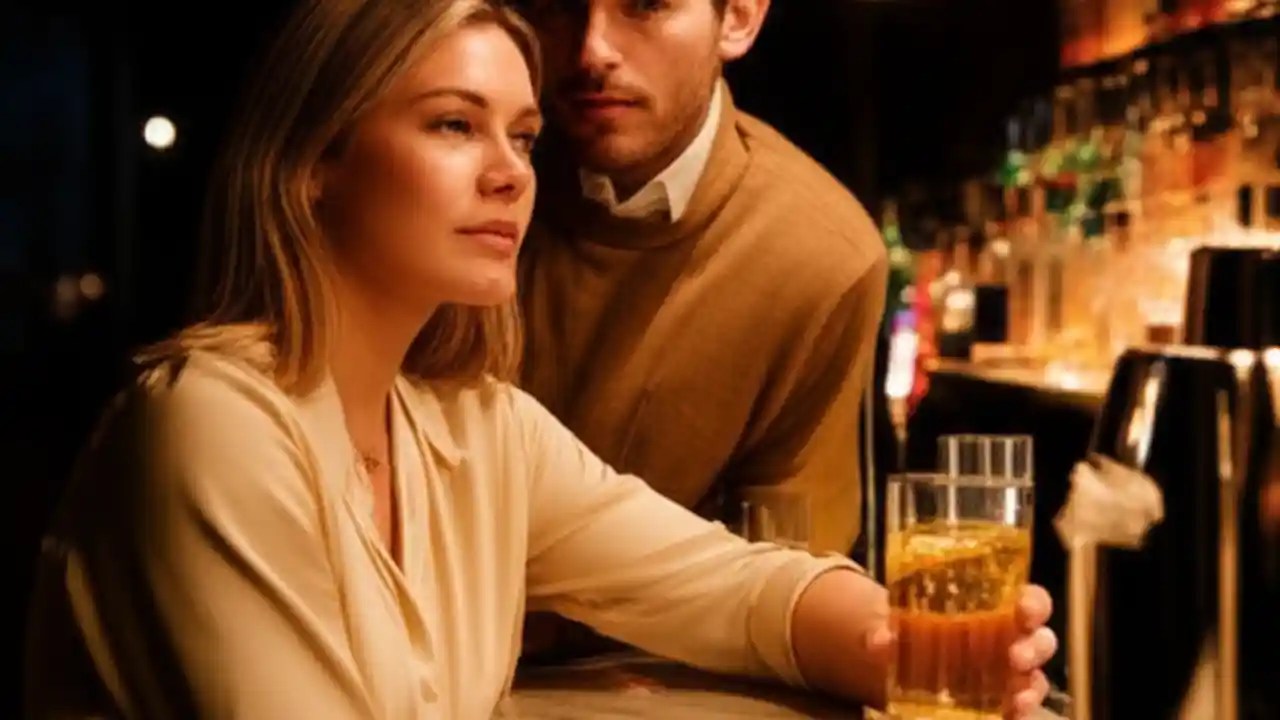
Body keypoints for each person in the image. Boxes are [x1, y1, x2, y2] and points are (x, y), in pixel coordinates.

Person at [23, 0, 1058, 717]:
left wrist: (895, 639)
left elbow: (727, 586)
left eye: (521, 138)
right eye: (452, 125)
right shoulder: (211, 424)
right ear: (310, 165)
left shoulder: (474, 425)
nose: (511, 176)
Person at [515, 0, 885, 560]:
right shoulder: (462, 182)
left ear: (738, 16)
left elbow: (783, 573)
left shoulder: (818, 254)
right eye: (556, 6)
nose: (592, 51)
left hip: (662, 617)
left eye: (645, 5)